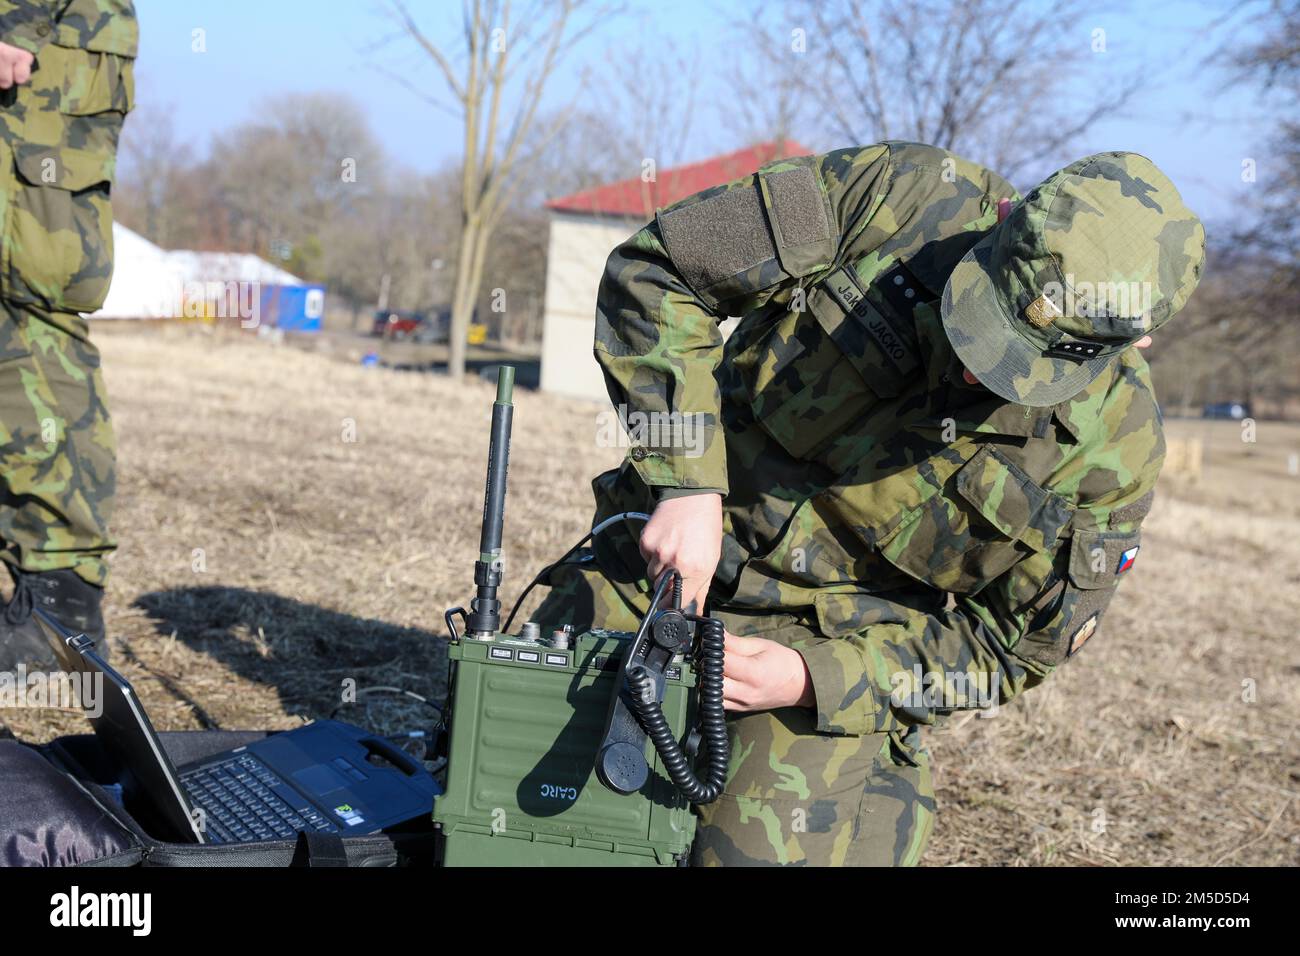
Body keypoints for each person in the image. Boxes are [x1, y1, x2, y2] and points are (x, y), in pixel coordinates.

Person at [532, 141, 1205, 865]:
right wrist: (687, 477)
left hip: (822, 647)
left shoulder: (1115, 455)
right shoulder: (892, 193)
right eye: (988, 314)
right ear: (1007, 218)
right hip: (662, 565)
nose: (982, 367)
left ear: (1137, 339)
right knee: (524, 801)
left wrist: (819, 677)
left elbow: (1009, 648)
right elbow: (658, 271)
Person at [0, 0, 137, 668]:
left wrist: (13, 22)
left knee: (29, 311)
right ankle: (52, 602)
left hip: (42, 56)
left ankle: (59, 610)